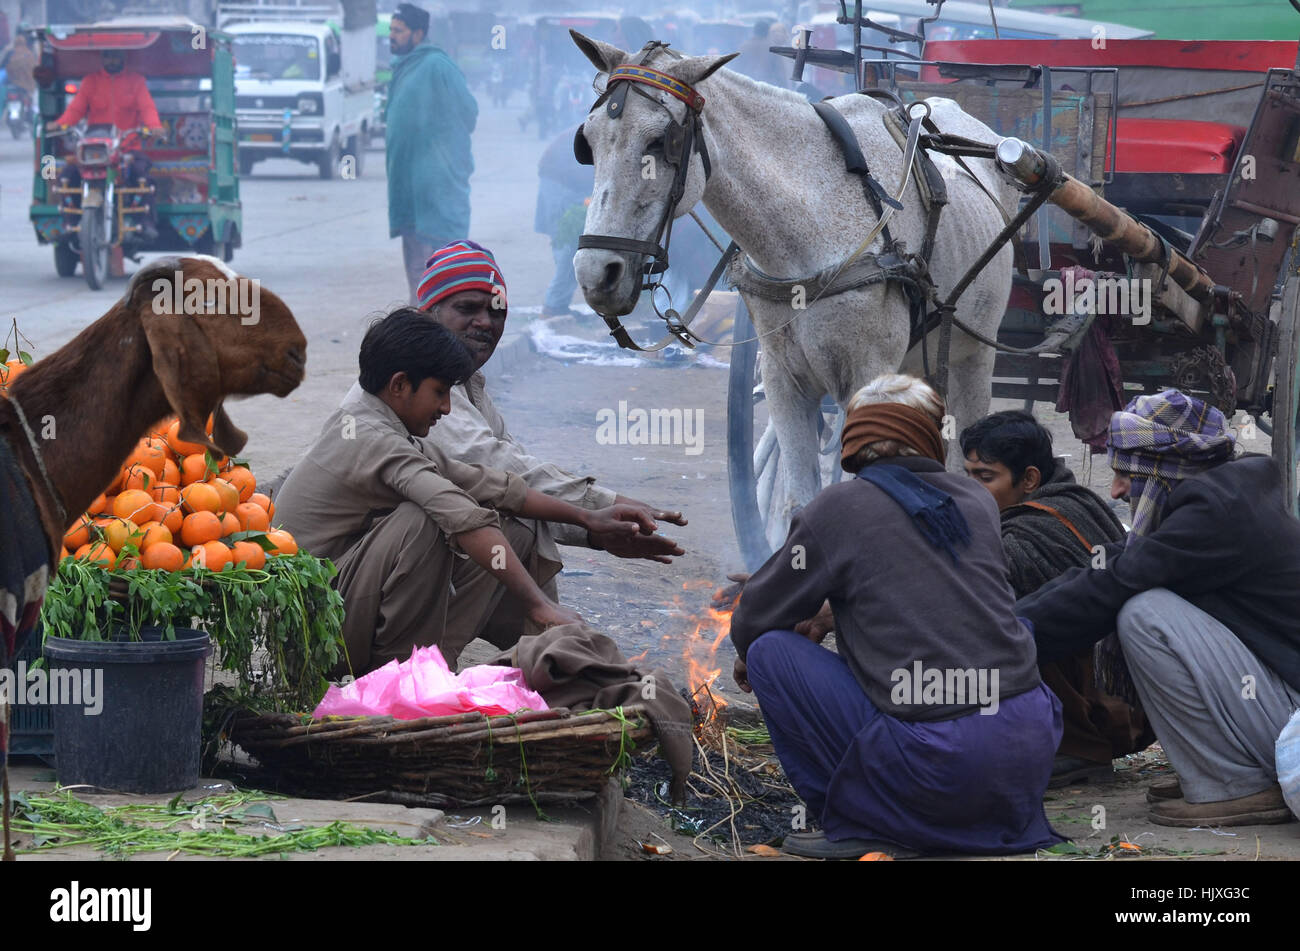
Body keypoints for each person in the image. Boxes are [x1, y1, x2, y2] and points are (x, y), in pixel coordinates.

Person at [728, 374, 1063, 859]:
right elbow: (921, 589)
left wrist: (746, 651)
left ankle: (863, 822)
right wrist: (835, 610)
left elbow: (756, 613)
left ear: (854, 442)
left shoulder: (838, 508)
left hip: (941, 759)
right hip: (1028, 747)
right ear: (931, 438)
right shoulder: (976, 501)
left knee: (770, 652)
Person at [273, 308, 650, 676]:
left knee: (515, 529)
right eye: (439, 392)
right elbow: (460, 513)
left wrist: (588, 517)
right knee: (424, 520)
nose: (446, 408)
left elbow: (488, 483)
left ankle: (431, 666)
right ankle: (397, 679)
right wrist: (537, 605)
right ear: (400, 385)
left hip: (342, 606)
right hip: (312, 633)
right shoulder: (367, 436)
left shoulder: (386, 426)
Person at [1017, 390, 1300, 827]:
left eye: (1125, 473)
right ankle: (1218, 768)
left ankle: (1236, 783)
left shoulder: (1215, 513)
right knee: (1145, 605)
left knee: (1145, 614)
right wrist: (1006, 622)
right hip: (1279, 699)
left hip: (1291, 717)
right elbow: (1112, 563)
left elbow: (1116, 583)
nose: (1114, 490)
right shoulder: (1222, 498)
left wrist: (1006, 642)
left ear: (1165, 469)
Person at [415, 242, 688, 611]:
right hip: (368, 572)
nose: (484, 322)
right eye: (466, 309)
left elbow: (516, 475)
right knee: (508, 525)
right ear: (428, 314)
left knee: (520, 521)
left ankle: (552, 646)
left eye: (496, 311)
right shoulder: (417, 378)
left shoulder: (467, 382)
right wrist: (603, 508)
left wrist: (599, 531)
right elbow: (499, 470)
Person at [961, 410, 1152, 787]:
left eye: (985, 477)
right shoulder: (1077, 499)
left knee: (994, 622)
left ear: (1029, 479)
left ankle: (1074, 746)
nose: (971, 490)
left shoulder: (1026, 537)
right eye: (967, 476)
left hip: (1107, 712)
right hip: (1132, 709)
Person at [385, 3, 478, 303]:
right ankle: (419, 316)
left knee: (440, 258)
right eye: (391, 30)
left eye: (398, 31)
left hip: (437, 184)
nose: (392, 36)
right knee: (414, 256)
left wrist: (438, 142)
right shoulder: (404, 66)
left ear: (418, 33)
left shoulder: (438, 65)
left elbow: (469, 112)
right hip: (409, 187)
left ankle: (442, 324)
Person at [49, 49, 160, 241]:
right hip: (94, 150)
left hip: (128, 148)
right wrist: (60, 124)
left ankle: (144, 222)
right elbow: (75, 109)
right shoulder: (90, 82)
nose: (112, 60)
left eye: (116, 55)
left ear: (124, 57)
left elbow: (147, 108)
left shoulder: (136, 81)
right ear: (102, 58)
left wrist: (154, 127)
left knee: (141, 174)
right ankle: (70, 223)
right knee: (68, 175)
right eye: (108, 56)